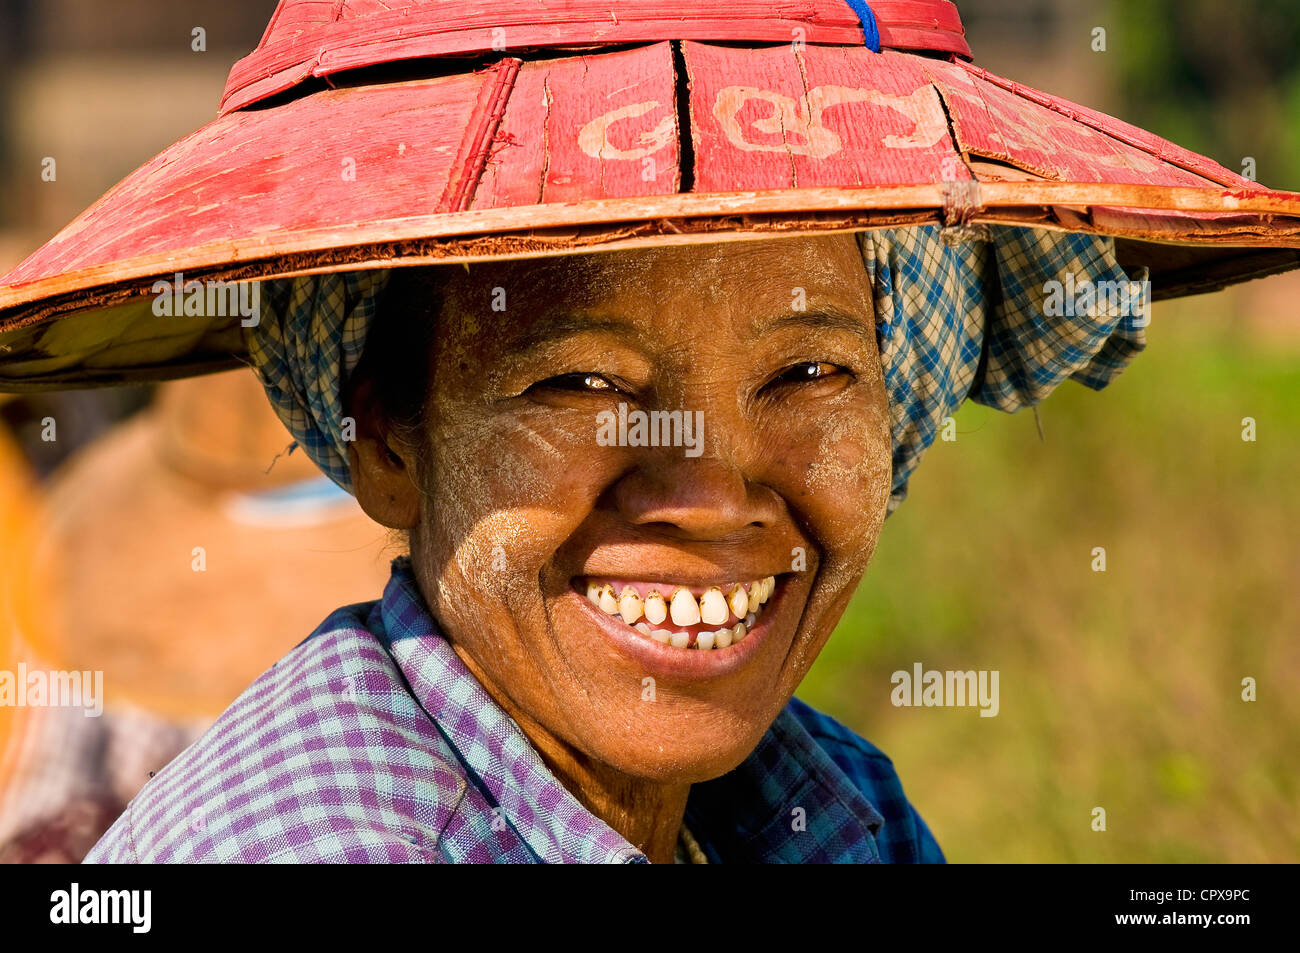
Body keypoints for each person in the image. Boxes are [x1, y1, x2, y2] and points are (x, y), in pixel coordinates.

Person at [0, 1, 1296, 863]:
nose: (713, 492)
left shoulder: (813, 804)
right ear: (387, 438)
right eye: (577, 385)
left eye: (805, 370)